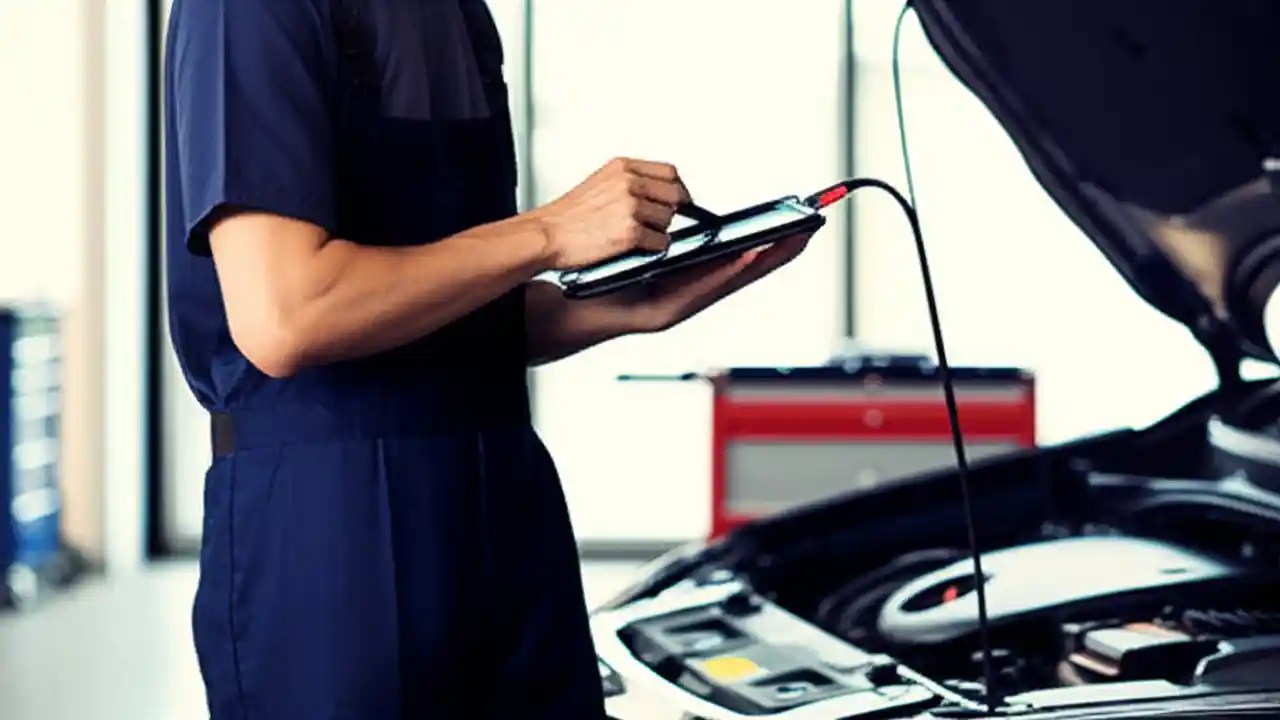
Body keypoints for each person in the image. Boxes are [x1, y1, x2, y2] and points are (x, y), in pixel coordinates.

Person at [163, 0, 811, 717]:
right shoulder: (247, 13)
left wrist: (628, 305)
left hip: (504, 499)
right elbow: (286, 315)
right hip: (331, 531)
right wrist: (550, 232)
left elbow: (446, 306)